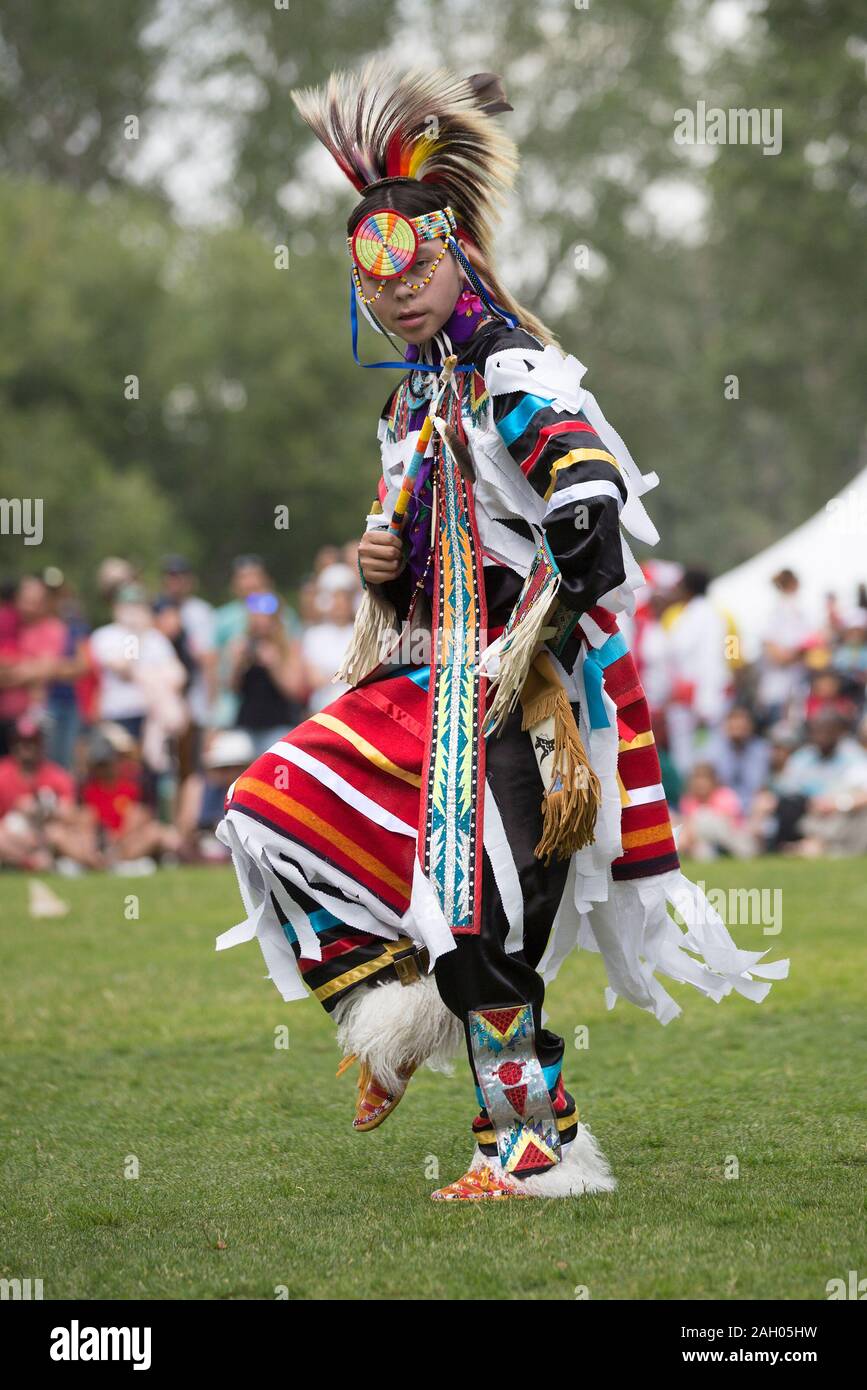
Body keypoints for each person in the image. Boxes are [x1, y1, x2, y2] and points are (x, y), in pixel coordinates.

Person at [215, 61, 788, 1201]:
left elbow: (591, 515)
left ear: (453, 253)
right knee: (265, 813)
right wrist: (383, 570)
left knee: (481, 923)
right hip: (421, 689)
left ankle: (533, 1152)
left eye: (415, 268)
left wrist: (538, 640)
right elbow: (422, 548)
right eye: (374, 283)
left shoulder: (506, 370)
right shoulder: (413, 402)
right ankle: (391, 1024)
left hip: (513, 704)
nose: (397, 295)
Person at [228, 592, 309, 757]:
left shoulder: (289, 648)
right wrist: (237, 664)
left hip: (279, 723)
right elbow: (231, 688)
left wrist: (274, 664)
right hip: (246, 724)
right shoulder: (241, 645)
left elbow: (294, 690)